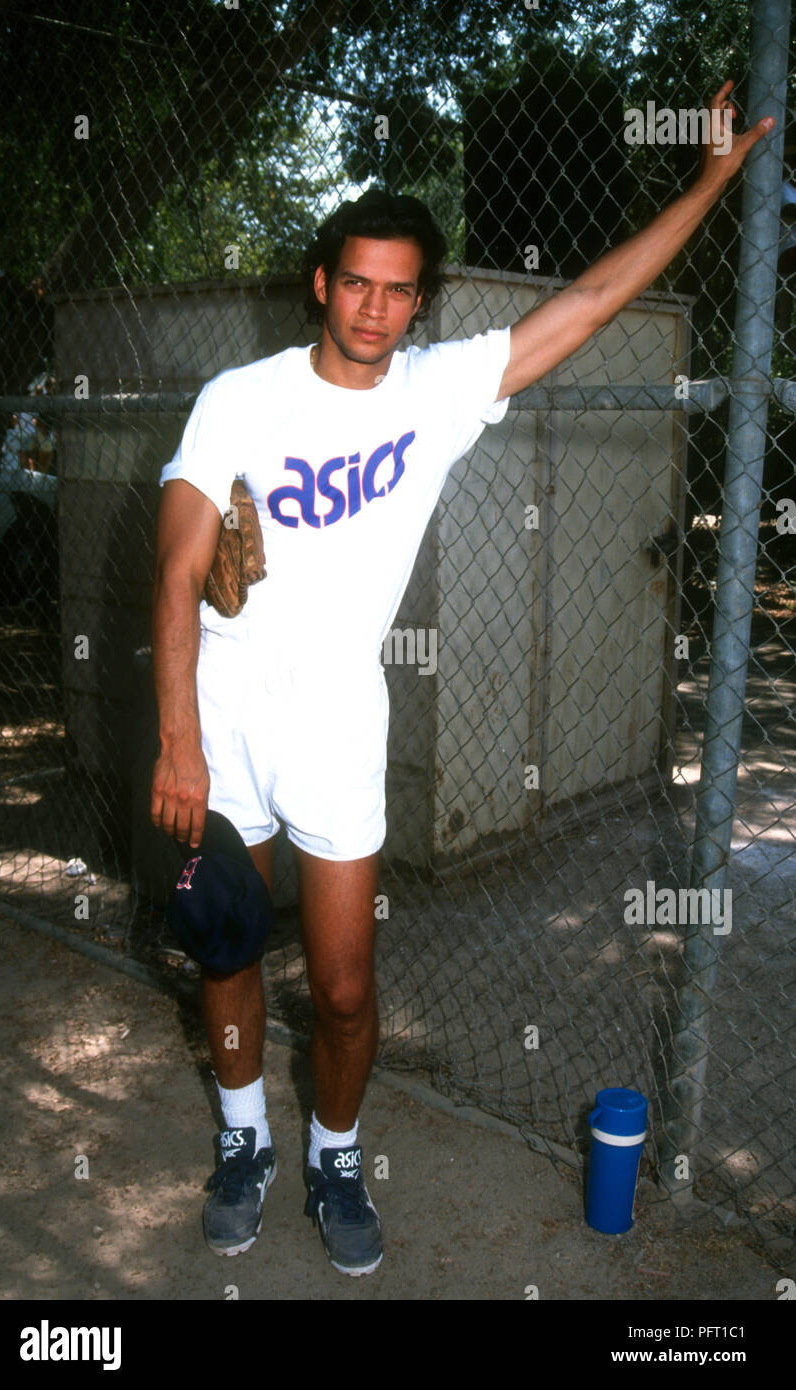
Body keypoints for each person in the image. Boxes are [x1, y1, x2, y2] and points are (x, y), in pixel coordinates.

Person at [150, 82, 772, 1276]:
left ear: (415, 299)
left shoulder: (438, 391)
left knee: (340, 987)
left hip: (336, 718)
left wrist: (707, 180)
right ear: (320, 284)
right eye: (356, 283)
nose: (375, 309)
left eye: (398, 290)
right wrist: (178, 743)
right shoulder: (242, 400)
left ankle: (335, 1152)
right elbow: (175, 574)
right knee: (222, 943)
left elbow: (589, 301)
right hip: (221, 715)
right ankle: (243, 1142)